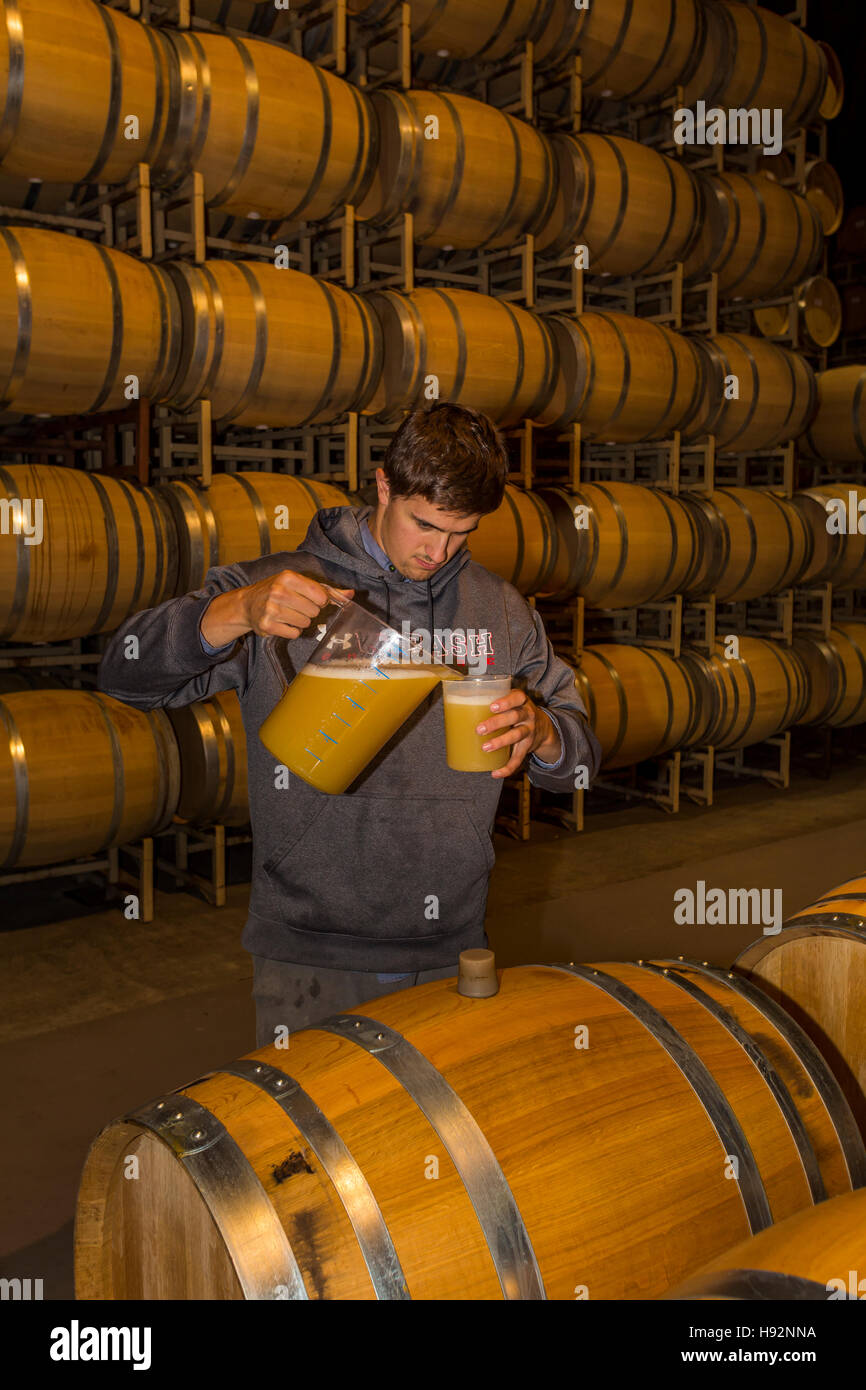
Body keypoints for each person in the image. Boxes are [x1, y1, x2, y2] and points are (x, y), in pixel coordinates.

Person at [98, 402, 602, 1045]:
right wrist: (231, 612)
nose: (437, 551)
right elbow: (123, 676)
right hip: (311, 953)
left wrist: (545, 735)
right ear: (384, 484)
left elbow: (581, 763)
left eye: (461, 533)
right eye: (424, 524)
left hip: (453, 945)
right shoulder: (280, 588)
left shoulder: (499, 609)